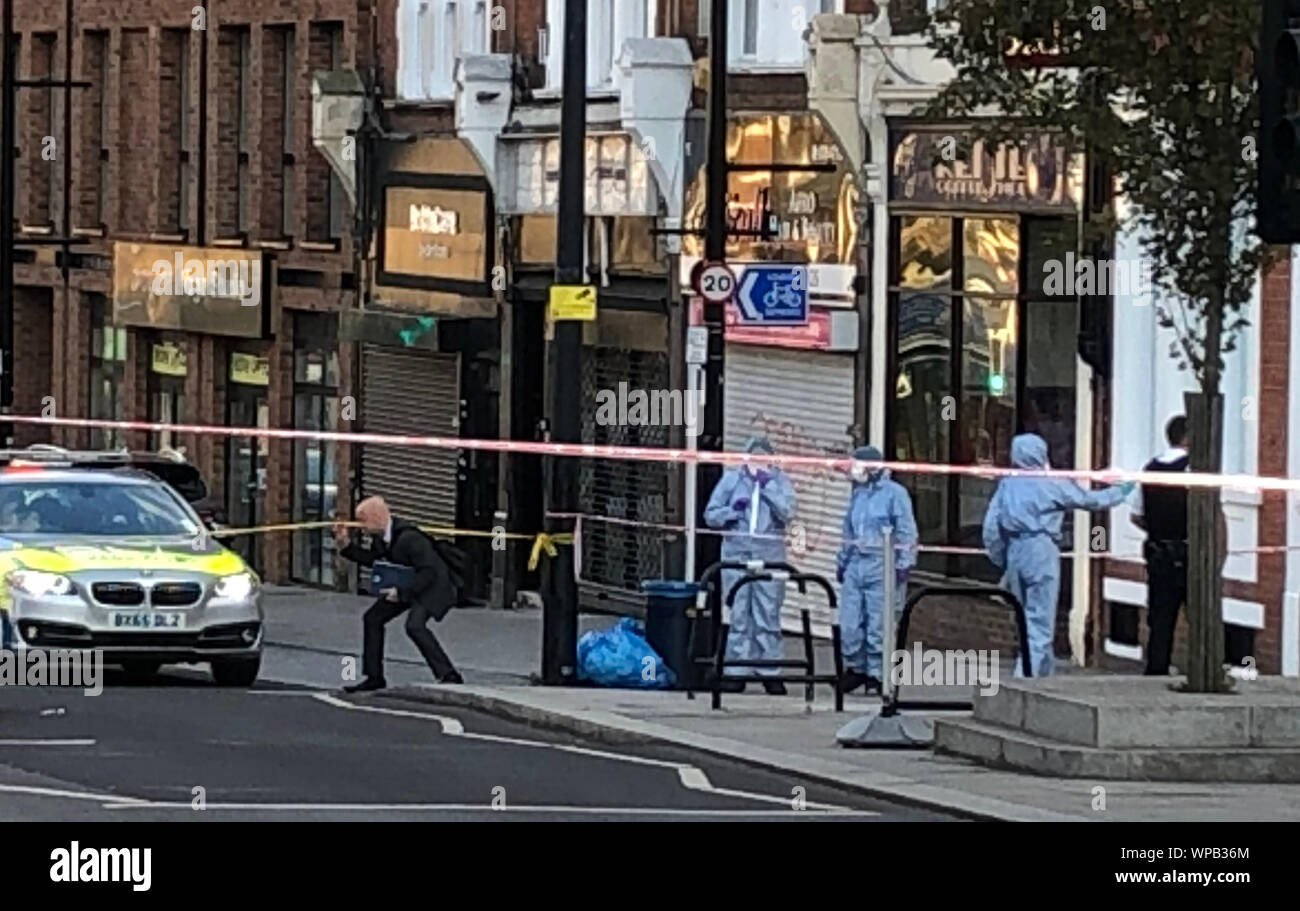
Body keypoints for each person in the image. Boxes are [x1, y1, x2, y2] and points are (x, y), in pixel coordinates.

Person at [983, 433, 1133, 677]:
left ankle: (1045, 677)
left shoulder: (1007, 485)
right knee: (1040, 624)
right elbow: (1090, 501)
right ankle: (1025, 681)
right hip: (1042, 551)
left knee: (1024, 621)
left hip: (1015, 553)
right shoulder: (1052, 483)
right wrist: (1122, 490)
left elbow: (991, 528)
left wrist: (1002, 559)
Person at [1131, 415, 1254, 675]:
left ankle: (1156, 671)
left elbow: (1136, 515)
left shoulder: (1149, 469)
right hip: (1191, 555)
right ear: (1188, 438)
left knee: (1161, 619)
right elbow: (1212, 515)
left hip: (1158, 555)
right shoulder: (1194, 470)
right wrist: (1219, 556)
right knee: (1201, 617)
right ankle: (1205, 671)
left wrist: (1159, 531)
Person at [333, 496, 463, 692]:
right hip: (408, 584)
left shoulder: (410, 538)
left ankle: (448, 674)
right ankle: (374, 677)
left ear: (376, 518)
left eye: (362, 521)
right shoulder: (381, 539)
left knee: (415, 625)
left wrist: (402, 593)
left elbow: (429, 572)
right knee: (373, 618)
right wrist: (346, 547)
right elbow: (373, 560)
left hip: (434, 586)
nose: (360, 527)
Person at [703, 435, 797, 695]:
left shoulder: (779, 482)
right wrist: (731, 512)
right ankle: (737, 670)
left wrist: (768, 490)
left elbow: (789, 512)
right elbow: (711, 514)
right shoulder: (732, 479)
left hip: (770, 553)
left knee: (768, 611)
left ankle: (770, 670)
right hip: (737, 551)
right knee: (739, 611)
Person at [835, 445, 918, 695]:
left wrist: (904, 563)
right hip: (856, 563)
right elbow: (848, 531)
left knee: (879, 623)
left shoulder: (895, 494)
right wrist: (842, 561)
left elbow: (906, 531)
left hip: (883, 564)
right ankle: (856, 668)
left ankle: (877, 673)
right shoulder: (858, 494)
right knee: (849, 622)